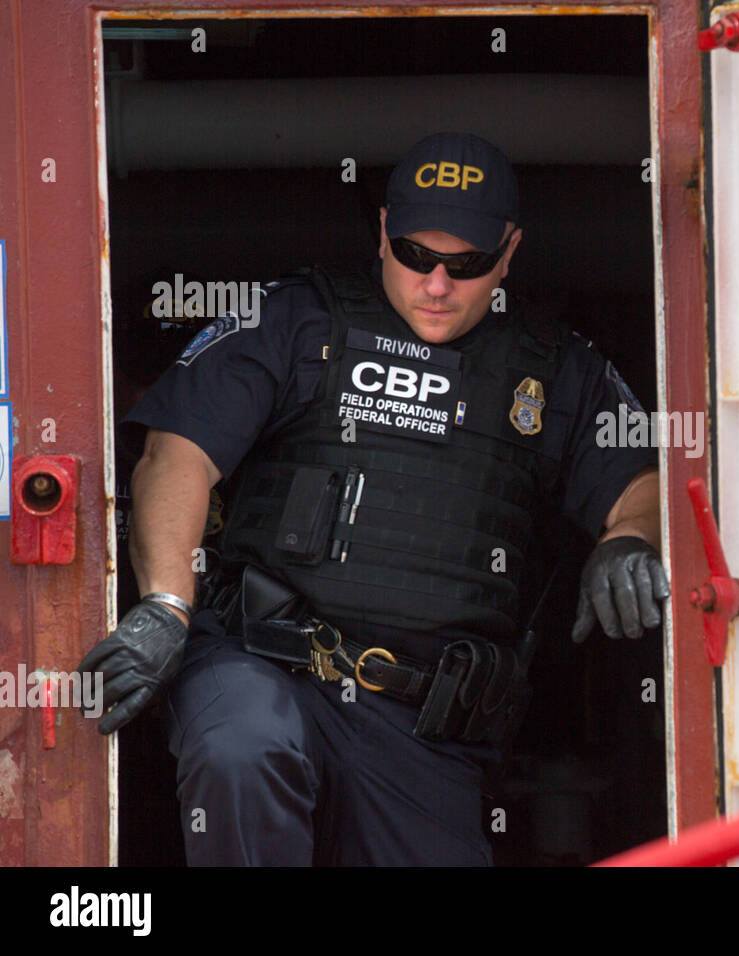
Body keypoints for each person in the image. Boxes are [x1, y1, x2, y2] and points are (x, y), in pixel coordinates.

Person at [78, 131, 670, 866]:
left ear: (510, 252)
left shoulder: (556, 371)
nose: (436, 285)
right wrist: (166, 604)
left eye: (468, 264)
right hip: (262, 665)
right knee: (243, 753)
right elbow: (176, 454)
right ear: (384, 232)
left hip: (422, 726)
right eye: (417, 255)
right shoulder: (296, 320)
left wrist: (631, 538)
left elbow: (645, 481)